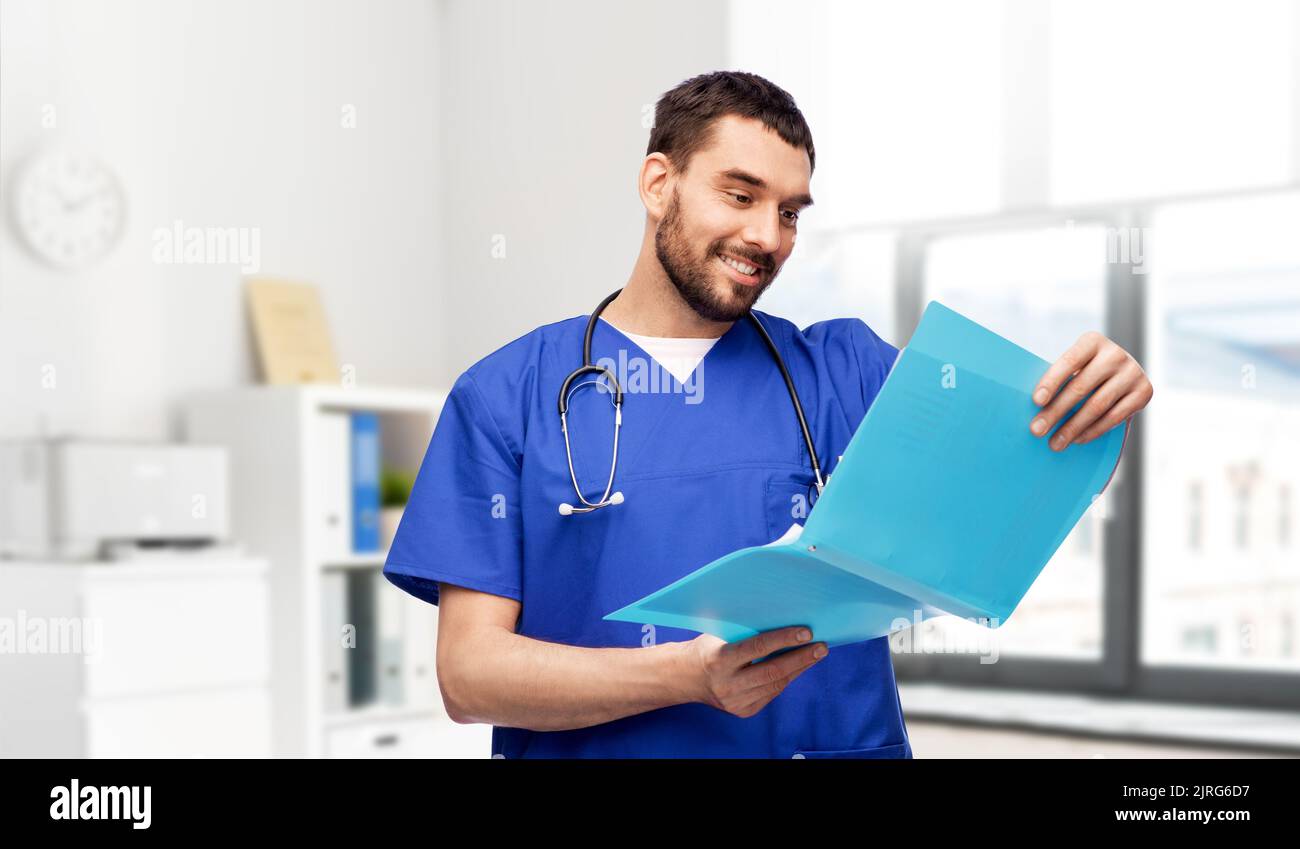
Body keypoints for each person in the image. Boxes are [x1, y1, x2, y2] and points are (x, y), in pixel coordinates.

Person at [382, 71, 1154, 758]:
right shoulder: (507, 395)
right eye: (740, 194)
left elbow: (1025, 476)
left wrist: (1101, 403)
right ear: (659, 183)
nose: (768, 237)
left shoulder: (844, 370)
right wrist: (684, 675)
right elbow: (470, 674)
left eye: (790, 212)